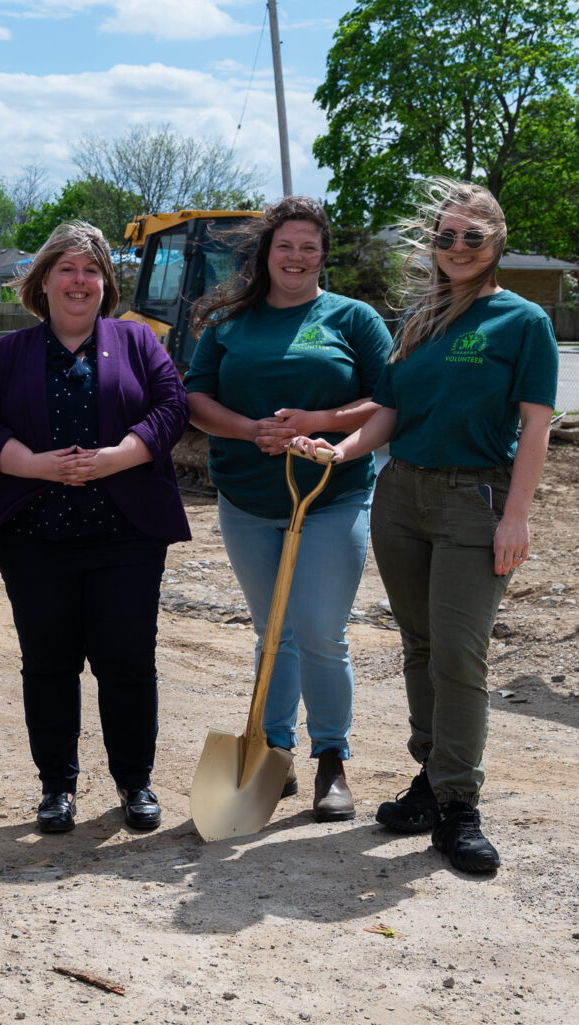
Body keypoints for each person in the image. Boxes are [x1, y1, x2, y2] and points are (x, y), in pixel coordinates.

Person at [293, 178, 557, 872]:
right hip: (401, 495)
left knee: (459, 653)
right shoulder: (417, 318)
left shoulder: (522, 321)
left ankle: (460, 805)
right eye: (446, 236)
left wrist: (516, 516)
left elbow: (535, 427)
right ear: (433, 245)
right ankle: (431, 780)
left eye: (473, 236)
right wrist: (342, 450)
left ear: (496, 241)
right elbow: (388, 411)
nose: (458, 247)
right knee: (418, 645)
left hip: (475, 500)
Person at [0, 220, 189, 834]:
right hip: (36, 536)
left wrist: (121, 455)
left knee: (127, 663)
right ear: (44, 281)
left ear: (106, 284)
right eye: (67, 268)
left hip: (126, 535)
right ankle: (57, 788)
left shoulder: (138, 343)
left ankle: (134, 782)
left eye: (91, 270)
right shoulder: (11, 352)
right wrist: (34, 466)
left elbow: (174, 407)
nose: (79, 280)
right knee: (48, 664)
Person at [183, 196, 392, 822]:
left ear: (322, 255)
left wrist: (319, 423)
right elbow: (195, 397)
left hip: (332, 496)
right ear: (265, 253)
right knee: (272, 630)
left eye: (308, 247)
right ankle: (274, 749)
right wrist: (254, 431)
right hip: (248, 497)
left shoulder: (353, 318)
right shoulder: (230, 322)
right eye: (285, 246)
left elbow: (388, 397)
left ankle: (332, 758)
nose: (296, 257)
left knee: (320, 631)